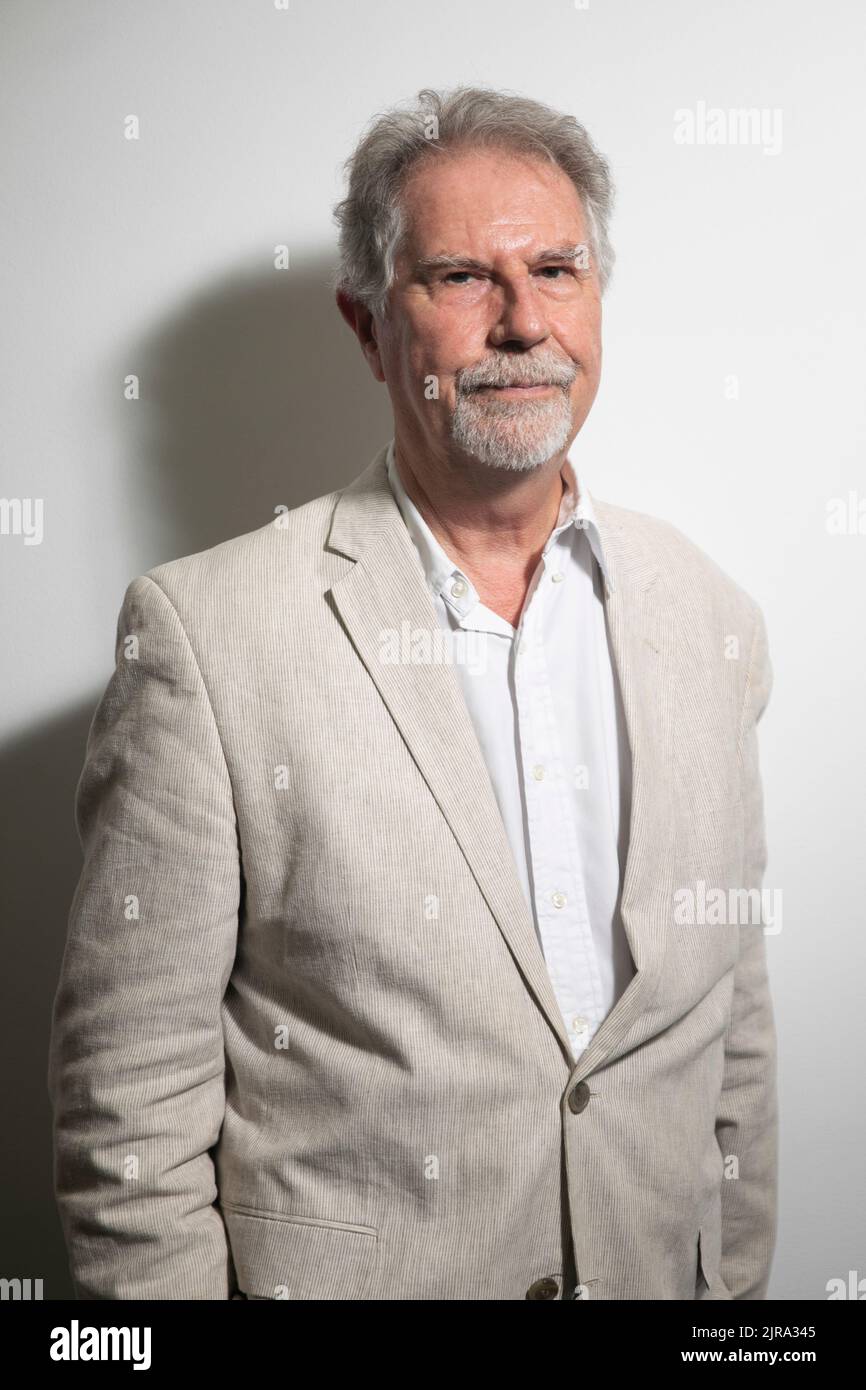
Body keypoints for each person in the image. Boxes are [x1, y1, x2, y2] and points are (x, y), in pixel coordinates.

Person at [48, 85, 777, 1301]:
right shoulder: (202, 639)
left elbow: (730, 1036)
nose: (521, 323)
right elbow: (127, 1103)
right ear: (367, 324)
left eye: (555, 268)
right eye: (458, 277)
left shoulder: (711, 617)